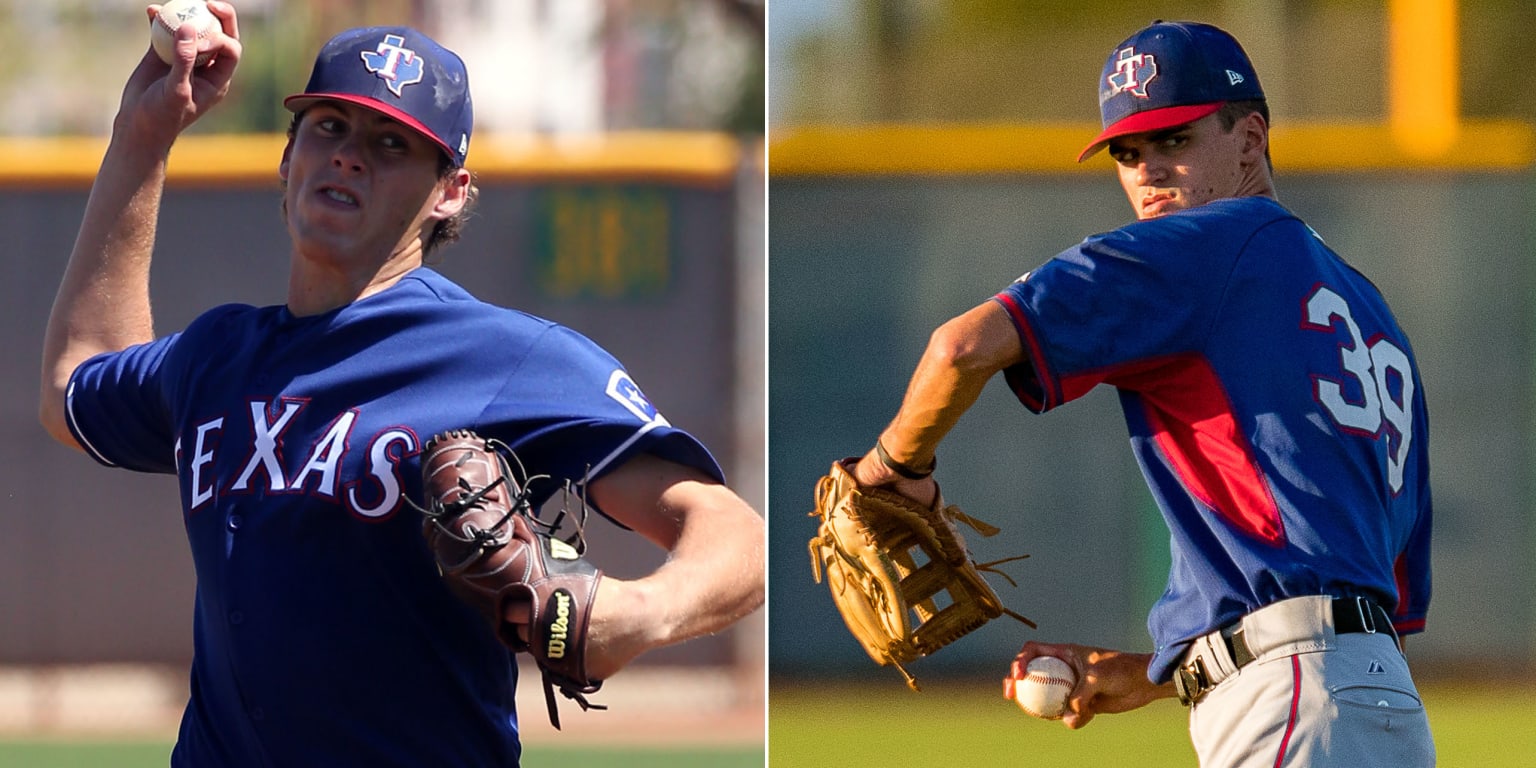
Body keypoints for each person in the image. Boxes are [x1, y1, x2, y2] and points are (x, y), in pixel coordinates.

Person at [38, 5, 765, 766]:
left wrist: (637, 610)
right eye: (330, 128)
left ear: (450, 190)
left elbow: (734, 535)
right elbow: (72, 385)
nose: (350, 157)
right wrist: (143, 135)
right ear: (288, 158)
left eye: (391, 144)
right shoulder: (218, 356)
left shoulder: (505, 358)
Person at [848, 20, 1434, 766]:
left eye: (1175, 142)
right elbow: (1368, 607)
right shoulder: (1371, 316)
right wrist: (1166, 674)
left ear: (1250, 140)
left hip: (1294, 706)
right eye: (1128, 153)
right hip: (1382, 711)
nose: (1148, 171)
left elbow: (962, 347)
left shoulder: (1200, 248)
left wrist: (893, 470)